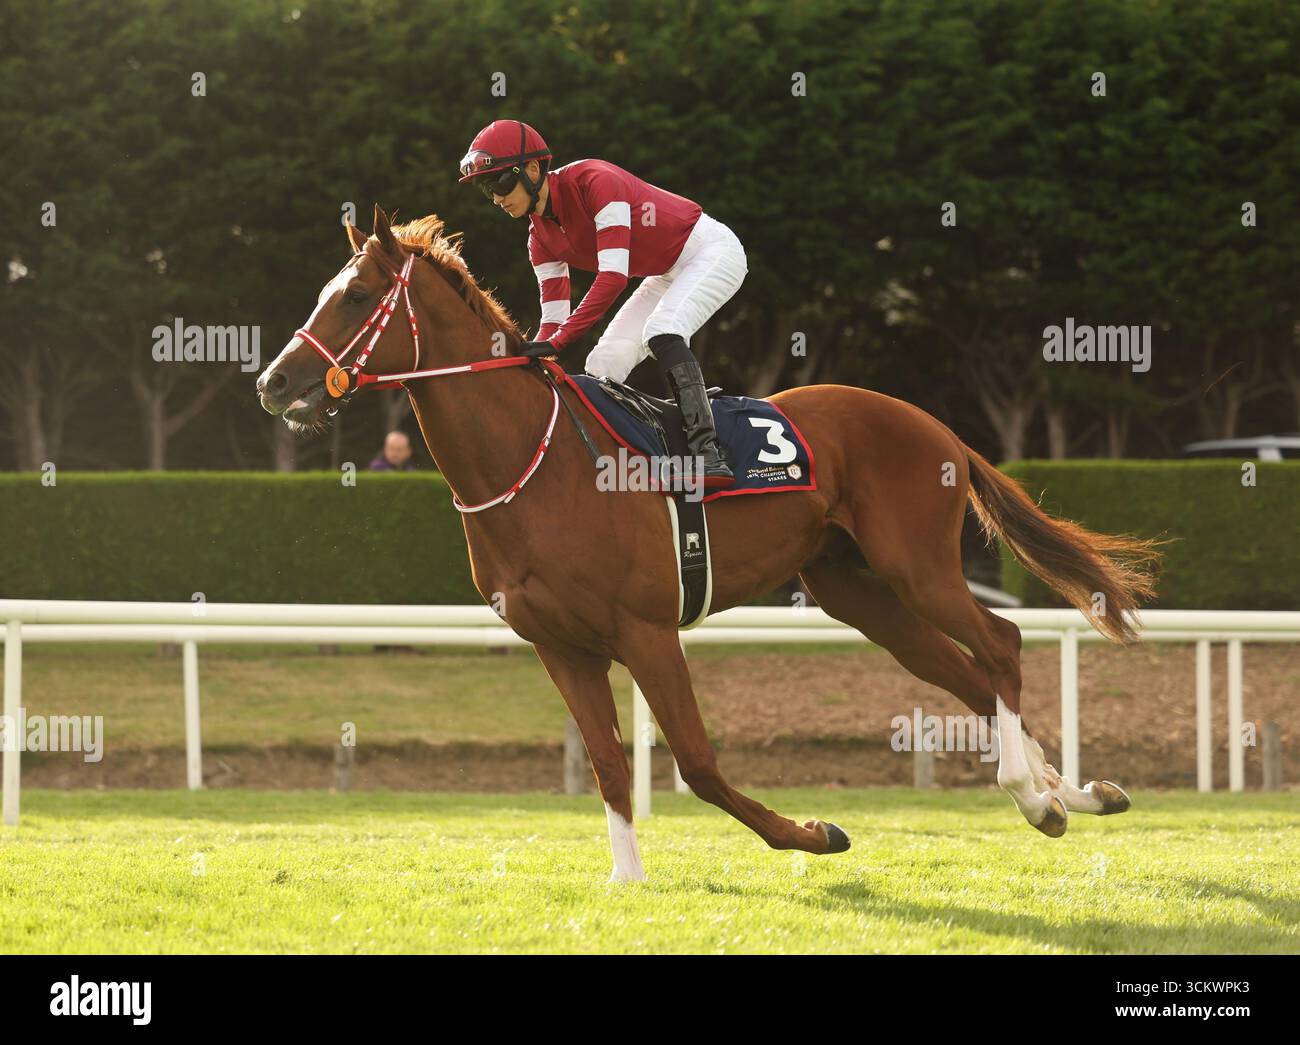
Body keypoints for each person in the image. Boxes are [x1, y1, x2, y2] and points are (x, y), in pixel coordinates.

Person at [458, 119, 746, 488]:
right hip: (665, 272)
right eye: (487, 190)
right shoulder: (538, 240)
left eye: (499, 182)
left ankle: (708, 454)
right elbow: (553, 322)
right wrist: (531, 355)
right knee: (602, 365)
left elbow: (613, 278)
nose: (497, 197)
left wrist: (558, 343)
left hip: (711, 250)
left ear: (532, 169)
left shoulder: (595, 180)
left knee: (663, 330)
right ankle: (642, 455)